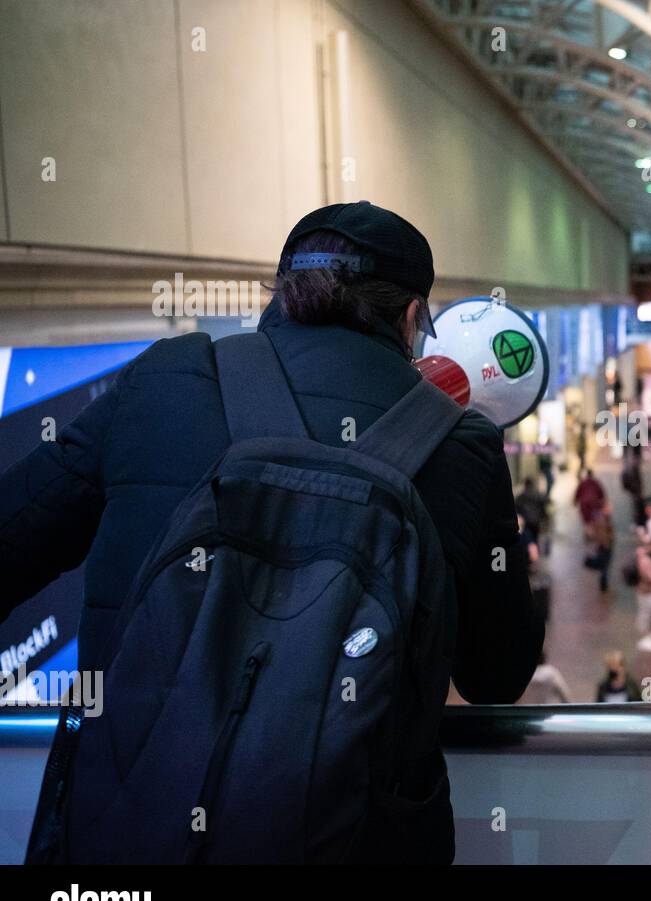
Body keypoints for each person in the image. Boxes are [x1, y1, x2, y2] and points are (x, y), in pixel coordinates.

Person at [0, 200, 544, 864]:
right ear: (410, 320)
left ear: (283, 293)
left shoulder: (164, 377)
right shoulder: (463, 444)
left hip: (120, 846)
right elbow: (498, 676)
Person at [514, 476, 548, 547]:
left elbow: (516, 507)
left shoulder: (521, 496)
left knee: (528, 538)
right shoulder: (538, 494)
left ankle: (530, 551)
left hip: (526, 521)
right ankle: (535, 549)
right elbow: (545, 501)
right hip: (536, 520)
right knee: (535, 537)